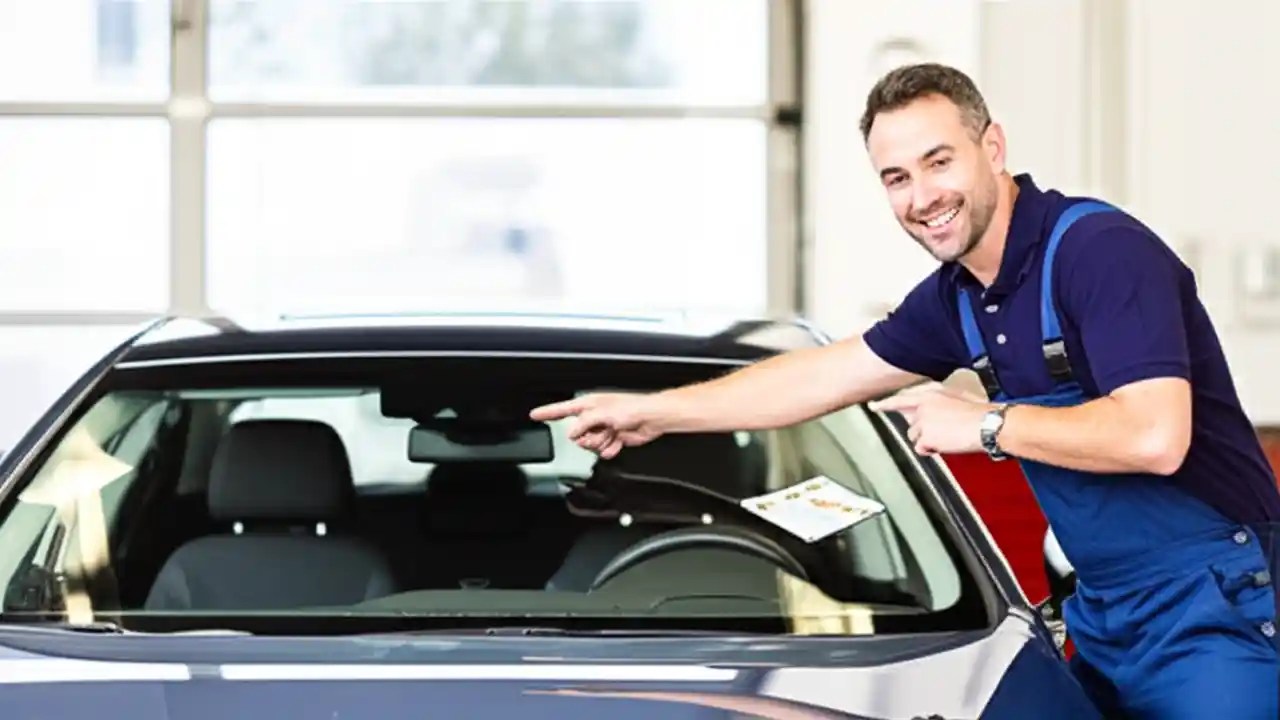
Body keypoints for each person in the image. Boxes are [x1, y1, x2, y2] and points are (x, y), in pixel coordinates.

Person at [530, 62, 1280, 719]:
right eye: (896, 177)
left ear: (993, 148)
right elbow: (823, 373)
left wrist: (987, 425)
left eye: (937, 162)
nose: (922, 196)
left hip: (1217, 607)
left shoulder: (1098, 253)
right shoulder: (960, 296)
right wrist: (656, 413)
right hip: (1107, 618)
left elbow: (1155, 435)